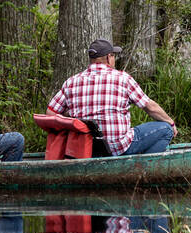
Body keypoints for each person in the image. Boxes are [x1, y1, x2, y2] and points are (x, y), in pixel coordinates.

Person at [47, 38, 177, 157]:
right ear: (109, 57)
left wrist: (71, 116)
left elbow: (50, 113)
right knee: (166, 129)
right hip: (118, 148)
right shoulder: (122, 78)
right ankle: (142, 170)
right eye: (114, 55)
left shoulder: (71, 82)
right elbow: (150, 107)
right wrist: (171, 122)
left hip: (86, 148)